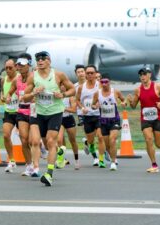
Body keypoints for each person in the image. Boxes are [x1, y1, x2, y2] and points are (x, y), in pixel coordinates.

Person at [24, 51, 75, 186]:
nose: (40, 61)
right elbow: (25, 97)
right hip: (39, 113)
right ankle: (58, 152)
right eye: (37, 59)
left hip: (55, 112)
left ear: (49, 61)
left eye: (42, 59)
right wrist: (34, 92)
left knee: (51, 141)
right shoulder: (32, 76)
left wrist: (62, 94)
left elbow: (72, 90)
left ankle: (49, 174)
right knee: (42, 142)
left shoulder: (58, 74)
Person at [126, 68, 160, 173]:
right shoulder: (138, 90)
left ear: (149, 75)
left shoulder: (157, 86)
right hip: (145, 119)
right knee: (148, 139)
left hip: (158, 118)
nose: (142, 76)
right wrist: (130, 101)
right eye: (140, 75)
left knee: (158, 144)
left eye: (144, 74)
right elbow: (134, 106)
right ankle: (154, 164)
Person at [6, 54, 35, 177]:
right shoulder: (16, 79)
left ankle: (43, 149)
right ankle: (29, 166)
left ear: (29, 65)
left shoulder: (34, 77)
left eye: (23, 65)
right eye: (18, 65)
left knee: (33, 140)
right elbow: (11, 91)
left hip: (34, 111)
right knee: (24, 139)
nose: (20, 67)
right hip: (22, 111)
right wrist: (8, 97)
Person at [91, 75, 127, 171]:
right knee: (107, 145)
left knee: (112, 140)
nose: (104, 84)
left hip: (114, 120)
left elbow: (124, 100)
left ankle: (113, 162)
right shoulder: (97, 93)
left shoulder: (115, 92)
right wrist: (94, 106)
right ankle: (111, 156)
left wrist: (124, 103)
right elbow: (92, 105)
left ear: (109, 82)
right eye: (102, 82)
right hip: (103, 121)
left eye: (106, 82)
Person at [75, 65, 102, 166]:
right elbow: (77, 100)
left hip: (98, 115)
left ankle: (100, 158)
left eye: (92, 73)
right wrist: (82, 108)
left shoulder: (99, 85)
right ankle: (94, 155)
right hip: (87, 116)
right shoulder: (81, 88)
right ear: (85, 75)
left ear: (95, 74)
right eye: (88, 73)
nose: (90, 75)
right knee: (91, 140)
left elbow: (104, 96)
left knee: (100, 137)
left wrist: (98, 104)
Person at [0, 59, 19, 173]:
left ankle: (30, 162)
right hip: (9, 112)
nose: (8, 70)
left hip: (20, 111)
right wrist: (3, 96)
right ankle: (11, 160)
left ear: (16, 67)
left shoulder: (20, 78)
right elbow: (3, 92)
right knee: (6, 135)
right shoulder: (3, 80)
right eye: (6, 68)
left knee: (25, 138)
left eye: (10, 68)